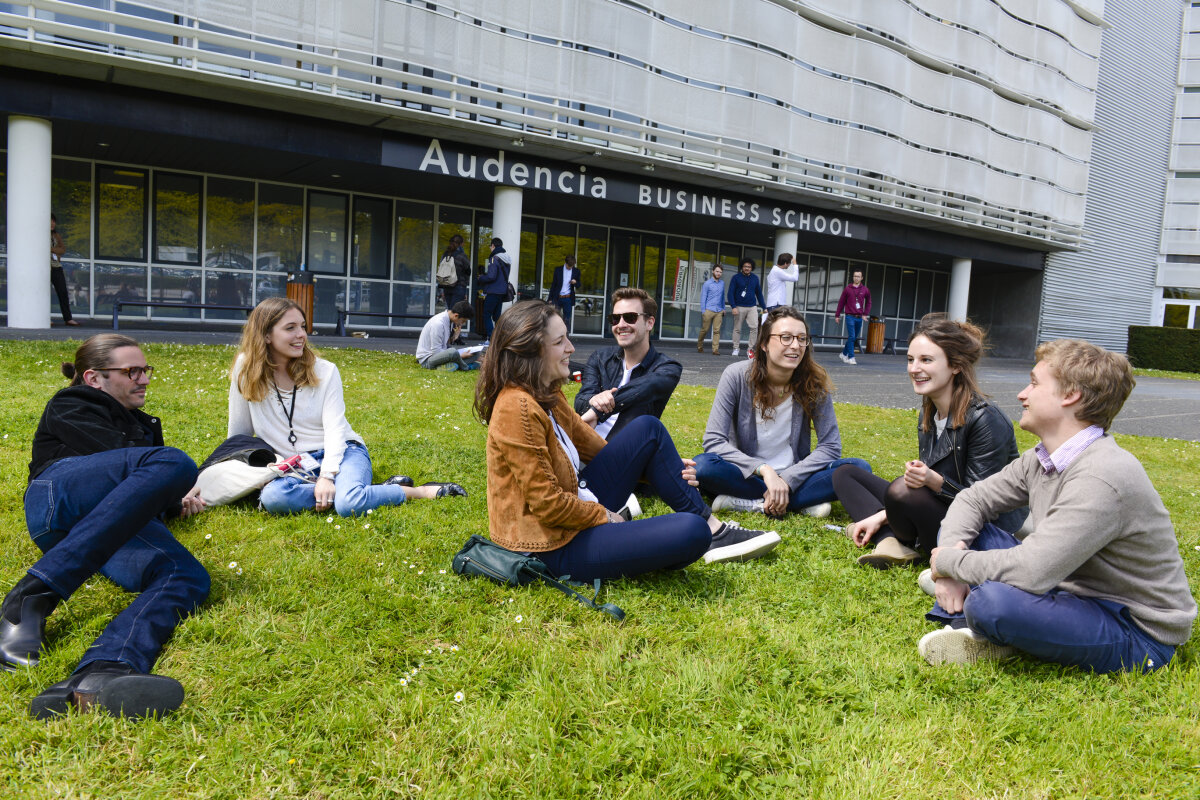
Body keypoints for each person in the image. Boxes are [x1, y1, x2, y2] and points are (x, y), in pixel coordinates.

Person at [918, 339, 1196, 672]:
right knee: (974, 533)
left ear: (1070, 396)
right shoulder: (1042, 458)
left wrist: (950, 561)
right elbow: (972, 498)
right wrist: (949, 568)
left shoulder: (1102, 475)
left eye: (1034, 383)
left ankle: (983, 616)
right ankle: (975, 606)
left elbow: (1034, 570)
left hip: (1132, 628)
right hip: (1066, 588)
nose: (1022, 394)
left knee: (992, 604)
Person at [476, 300, 782, 575]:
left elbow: (592, 446)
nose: (571, 348)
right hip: (548, 544)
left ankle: (714, 530)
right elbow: (548, 505)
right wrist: (606, 517)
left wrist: (661, 466)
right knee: (690, 531)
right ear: (531, 351)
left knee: (648, 429)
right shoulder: (515, 407)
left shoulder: (546, 393)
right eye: (560, 341)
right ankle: (705, 532)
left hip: (572, 509)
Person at [1, 334, 208, 719]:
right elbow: (119, 464)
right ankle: (29, 599)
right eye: (132, 371)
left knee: (187, 576)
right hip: (58, 497)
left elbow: (137, 489)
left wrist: (170, 501)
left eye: (146, 370)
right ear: (94, 378)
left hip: (105, 524)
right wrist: (168, 490)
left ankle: (104, 670)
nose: (143, 378)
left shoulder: (139, 424)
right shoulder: (73, 403)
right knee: (175, 463)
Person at [228, 297, 465, 515]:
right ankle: (366, 491)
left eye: (302, 326)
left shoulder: (325, 370)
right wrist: (226, 476)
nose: (301, 334)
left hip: (344, 452)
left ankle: (417, 491)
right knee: (273, 497)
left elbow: (335, 430)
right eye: (290, 328)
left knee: (348, 505)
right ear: (266, 335)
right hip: (294, 465)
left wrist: (327, 476)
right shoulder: (245, 369)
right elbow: (239, 436)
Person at [832, 315, 1024, 568]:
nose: (914, 368)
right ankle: (889, 538)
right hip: (940, 504)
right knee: (845, 474)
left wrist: (934, 482)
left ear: (955, 366)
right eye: (910, 360)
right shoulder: (930, 411)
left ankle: (890, 539)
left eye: (926, 360)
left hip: (978, 531)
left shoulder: (986, 419)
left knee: (901, 490)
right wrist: (885, 514)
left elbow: (984, 507)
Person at [693, 306, 871, 519]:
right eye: (785, 337)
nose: (795, 346)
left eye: (802, 338)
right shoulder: (736, 376)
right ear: (764, 344)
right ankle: (799, 501)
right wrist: (765, 470)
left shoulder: (814, 383)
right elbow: (714, 441)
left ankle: (754, 501)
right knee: (703, 466)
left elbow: (831, 446)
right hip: (748, 474)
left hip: (796, 475)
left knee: (859, 469)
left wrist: (786, 479)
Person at [575, 288, 681, 440]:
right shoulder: (600, 358)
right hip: (585, 446)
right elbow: (580, 402)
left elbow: (644, 389)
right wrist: (594, 399)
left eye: (630, 317)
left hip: (624, 453)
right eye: (615, 318)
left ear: (649, 323)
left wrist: (599, 410)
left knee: (640, 411)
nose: (621, 324)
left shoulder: (668, 368)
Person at [416, 300, 481, 371]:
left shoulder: (449, 320)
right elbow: (436, 352)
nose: (462, 324)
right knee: (452, 352)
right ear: (456, 315)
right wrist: (460, 355)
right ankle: (466, 367)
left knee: (476, 353)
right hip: (428, 359)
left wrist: (454, 337)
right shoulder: (438, 323)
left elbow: (445, 345)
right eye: (463, 321)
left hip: (443, 355)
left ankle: (452, 365)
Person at [728, 258, 765, 358]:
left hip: (752, 307)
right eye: (745, 266)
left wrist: (764, 307)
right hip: (739, 307)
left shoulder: (755, 278)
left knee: (754, 327)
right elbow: (730, 293)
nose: (747, 268)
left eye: (749, 267)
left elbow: (759, 294)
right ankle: (736, 348)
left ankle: (750, 349)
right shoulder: (736, 278)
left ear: (752, 268)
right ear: (742, 267)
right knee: (737, 329)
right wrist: (733, 306)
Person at [834, 269, 871, 365]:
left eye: (858, 276)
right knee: (852, 336)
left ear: (862, 278)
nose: (856, 278)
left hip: (859, 318)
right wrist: (837, 315)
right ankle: (851, 357)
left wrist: (865, 314)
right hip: (849, 316)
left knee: (853, 338)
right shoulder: (848, 289)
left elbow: (869, 302)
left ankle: (843, 353)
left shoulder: (865, 290)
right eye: (855, 276)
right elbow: (841, 302)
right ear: (853, 277)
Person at [478, 237, 512, 341]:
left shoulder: (494, 258)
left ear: (493, 245)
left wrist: (481, 278)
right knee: (497, 316)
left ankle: (491, 338)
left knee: (486, 314)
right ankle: (499, 338)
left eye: (490, 247)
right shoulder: (507, 259)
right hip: (502, 291)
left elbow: (491, 276)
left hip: (493, 291)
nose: (490, 249)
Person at [50, 214, 80, 327]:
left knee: (63, 292)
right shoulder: (39, 234)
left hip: (56, 266)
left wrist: (51, 250)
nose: (52, 223)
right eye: (50, 221)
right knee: (43, 293)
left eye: (54, 221)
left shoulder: (56, 235)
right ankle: (44, 317)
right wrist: (54, 250)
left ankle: (68, 318)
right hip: (43, 267)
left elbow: (62, 249)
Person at [696, 265, 726, 355]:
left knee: (717, 331)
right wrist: (703, 311)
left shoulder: (722, 283)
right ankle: (699, 346)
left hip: (719, 311)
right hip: (708, 310)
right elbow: (703, 297)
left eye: (720, 272)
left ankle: (715, 349)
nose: (719, 273)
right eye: (717, 271)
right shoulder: (707, 283)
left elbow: (722, 297)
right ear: (713, 271)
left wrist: (723, 308)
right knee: (705, 330)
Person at [438, 234, 471, 311]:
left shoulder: (445, 255)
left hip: (446, 286)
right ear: (461, 244)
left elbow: (441, 270)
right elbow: (468, 271)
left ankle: (449, 323)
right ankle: (453, 323)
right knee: (456, 312)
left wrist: (442, 290)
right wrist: (465, 285)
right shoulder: (462, 256)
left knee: (449, 311)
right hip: (458, 287)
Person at [547, 255, 580, 329]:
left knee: (567, 319)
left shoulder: (576, 271)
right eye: (569, 266)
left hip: (568, 299)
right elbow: (553, 285)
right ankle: (555, 336)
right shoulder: (558, 270)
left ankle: (565, 336)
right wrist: (550, 299)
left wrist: (575, 282)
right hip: (557, 298)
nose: (570, 267)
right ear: (566, 263)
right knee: (555, 318)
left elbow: (579, 285)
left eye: (572, 266)